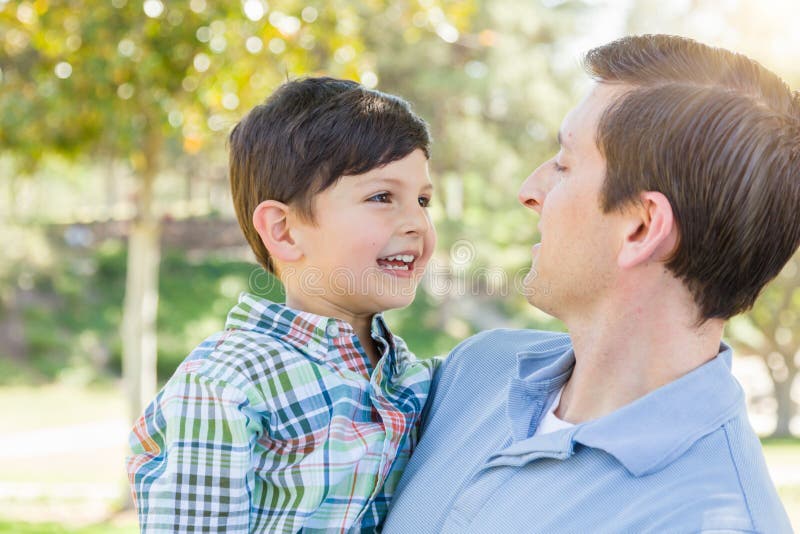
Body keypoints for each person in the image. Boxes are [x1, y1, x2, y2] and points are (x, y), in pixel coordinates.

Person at [383, 34, 797, 533]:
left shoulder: (705, 520)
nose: (529, 191)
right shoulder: (478, 370)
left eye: (564, 164)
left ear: (641, 228)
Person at [126, 77, 439, 533]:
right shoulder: (226, 385)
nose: (416, 222)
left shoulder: (412, 377)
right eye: (380, 197)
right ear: (284, 231)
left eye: (424, 200)